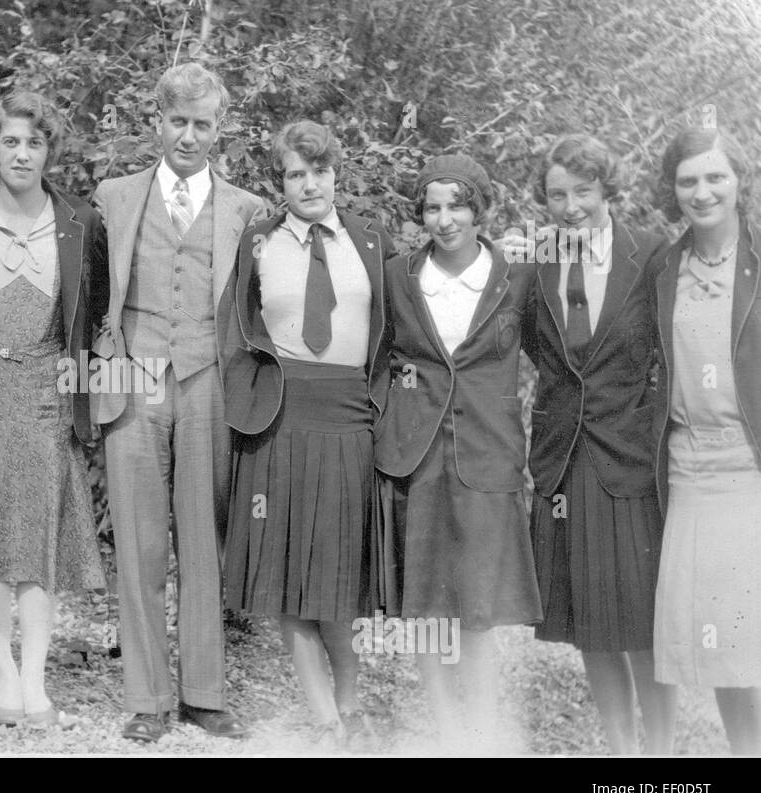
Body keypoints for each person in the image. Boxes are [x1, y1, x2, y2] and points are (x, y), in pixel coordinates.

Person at [90, 62, 265, 742]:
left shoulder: (246, 209)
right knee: (137, 538)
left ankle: (205, 692)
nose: (189, 136)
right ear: (157, 123)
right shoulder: (113, 195)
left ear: (220, 130)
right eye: (178, 122)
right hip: (133, 370)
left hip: (207, 376)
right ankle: (147, 695)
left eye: (203, 124)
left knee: (203, 533)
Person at [0, 91, 107, 728]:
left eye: (34, 142)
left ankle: (35, 678)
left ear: (49, 150)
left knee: (36, 537)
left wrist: (82, 381)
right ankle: (1, 676)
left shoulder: (80, 222)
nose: (22, 153)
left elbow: (95, 317)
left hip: (44, 391)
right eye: (10, 141)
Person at [222, 120, 394, 750]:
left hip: (351, 418)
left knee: (340, 572)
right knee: (290, 568)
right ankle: (322, 716)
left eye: (319, 170)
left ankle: (349, 704)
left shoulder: (371, 240)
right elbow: (235, 328)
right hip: (281, 417)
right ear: (281, 182)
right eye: (296, 173)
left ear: (335, 174)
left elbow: (396, 335)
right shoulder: (260, 241)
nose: (310, 183)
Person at [374, 154, 542, 752]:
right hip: (416, 458)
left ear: (479, 208)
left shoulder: (516, 277)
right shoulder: (396, 275)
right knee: (424, 608)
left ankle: (485, 735)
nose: (444, 220)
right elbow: (378, 361)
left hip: (486, 456)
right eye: (432, 207)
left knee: (475, 608)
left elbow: (555, 362)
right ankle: (446, 733)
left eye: (457, 205)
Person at [517, 134, 676, 754]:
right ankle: (620, 751)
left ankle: (661, 757)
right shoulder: (538, 265)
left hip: (632, 460)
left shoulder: (651, 254)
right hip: (565, 463)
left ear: (607, 189)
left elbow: (669, 350)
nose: (571, 206)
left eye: (583, 191)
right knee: (592, 624)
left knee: (641, 623)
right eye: (558, 194)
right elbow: (542, 351)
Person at [650, 127, 761, 755]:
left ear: (740, 180)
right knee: (720, 636)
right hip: (690, 469)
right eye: (688, 180)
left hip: (751, 468)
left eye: (715, 176)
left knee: (753, 632)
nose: (702, 191)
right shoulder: (665, 268)